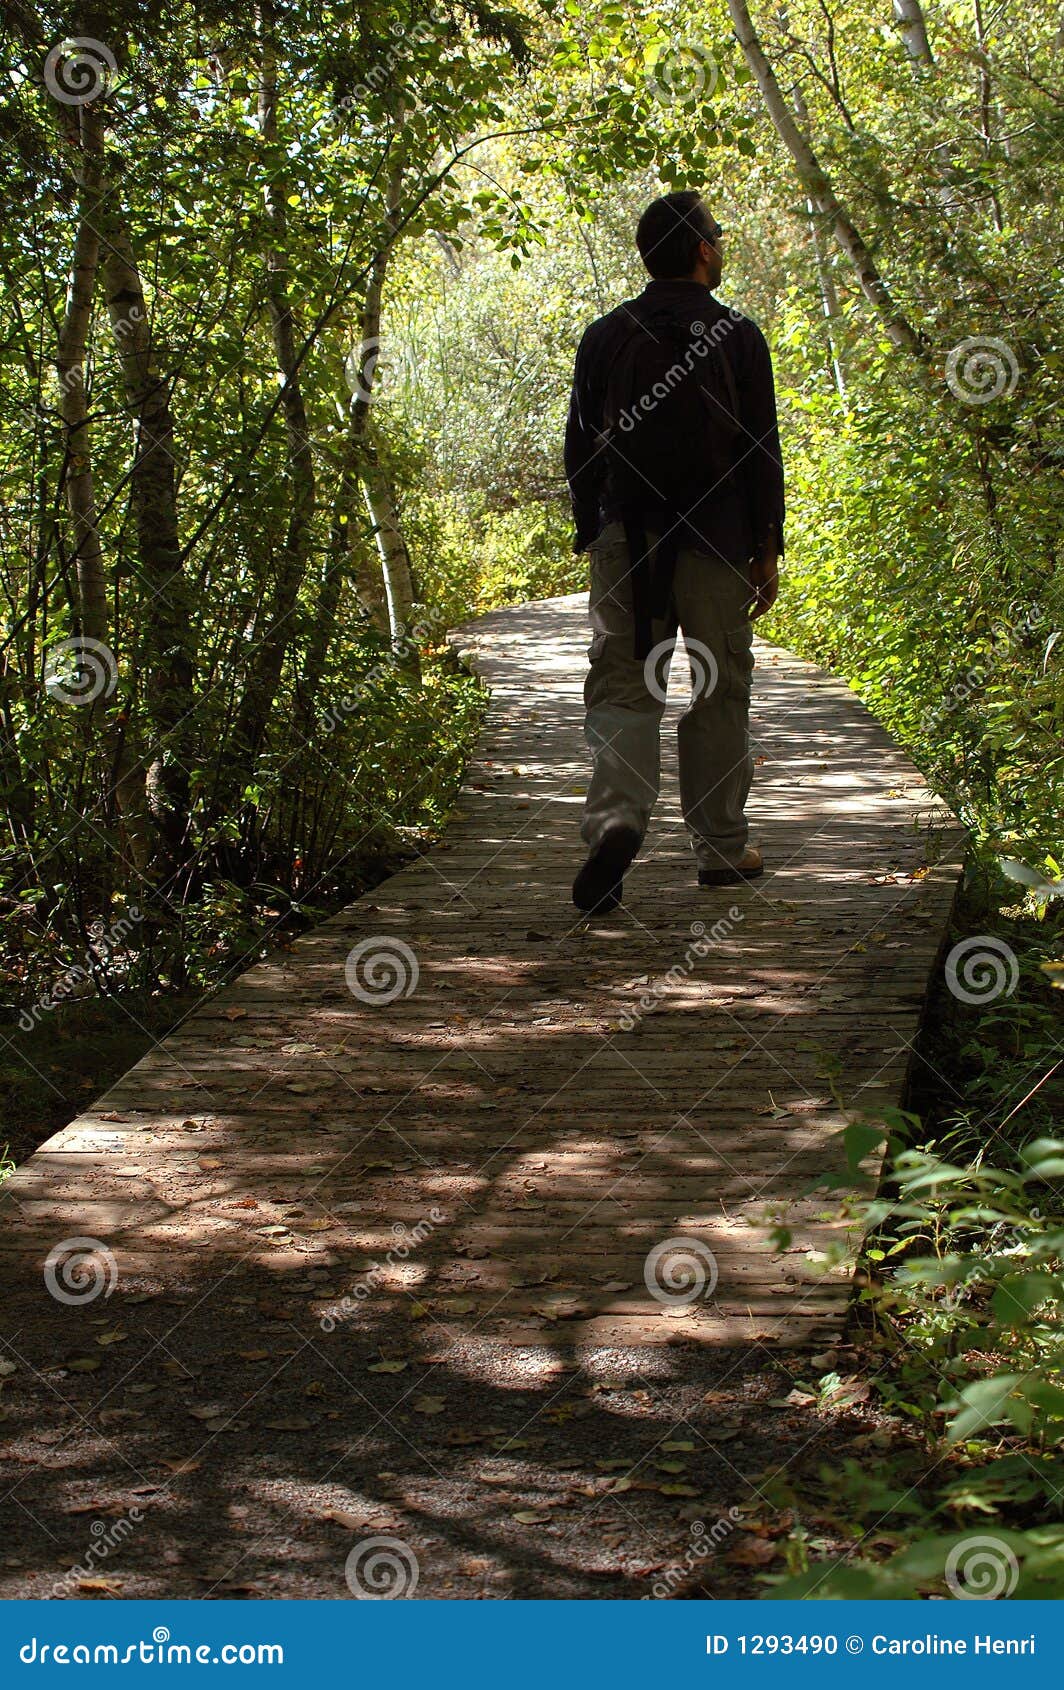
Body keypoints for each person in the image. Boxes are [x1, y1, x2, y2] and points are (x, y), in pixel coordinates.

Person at [565, 190, 784, 914]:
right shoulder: (738, 335)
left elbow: (579, 446)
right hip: (716, 539)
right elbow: (761, 450)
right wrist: (766, 546)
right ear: (701, 251)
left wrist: (591, 529)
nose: (722, 245)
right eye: (718, 235)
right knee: (717, 690)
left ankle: (618, 825)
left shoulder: (604, 336)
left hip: (629, 537)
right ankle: (721, 848)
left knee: (625, 688)